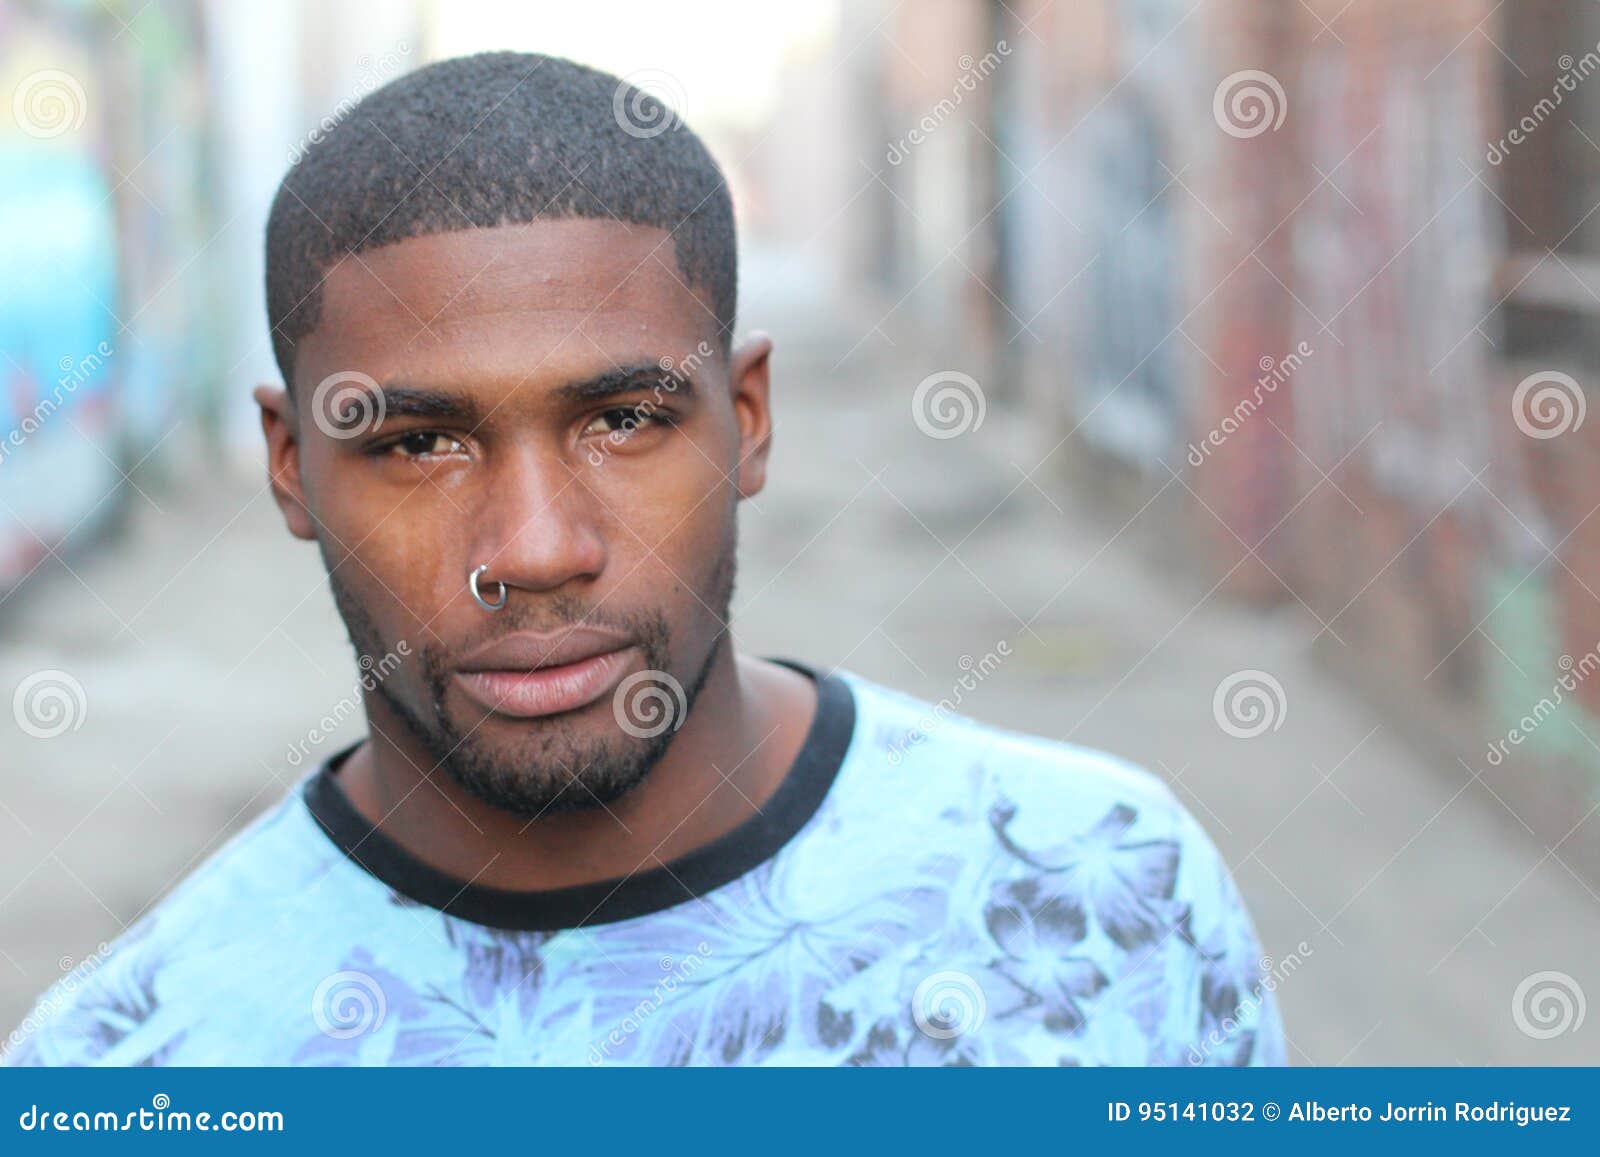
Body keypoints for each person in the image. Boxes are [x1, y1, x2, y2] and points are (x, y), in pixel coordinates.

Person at [4, 52, 1284, 1067]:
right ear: (291, 464)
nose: (538, 549)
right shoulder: (133, 1068)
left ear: (749, 419)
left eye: (622, 421)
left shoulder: (1102, 893)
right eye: (418, 442)